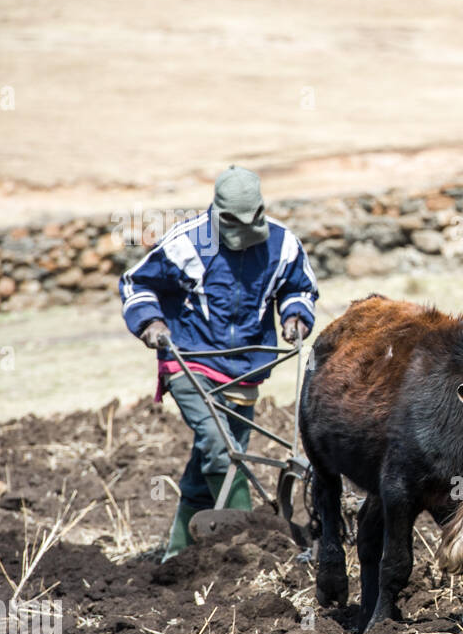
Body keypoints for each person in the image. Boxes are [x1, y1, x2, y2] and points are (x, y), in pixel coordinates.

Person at [118, 166, 319, 561]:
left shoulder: (284, 245)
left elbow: (299, 287)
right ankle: (250, 547)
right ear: (219, 213)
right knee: (219, 448)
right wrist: (151, 323)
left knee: (210, 463)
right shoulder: (185, 244)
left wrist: (295, 317)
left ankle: (178, 556)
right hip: (189, 362)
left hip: (246, 369)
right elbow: (136, 284)